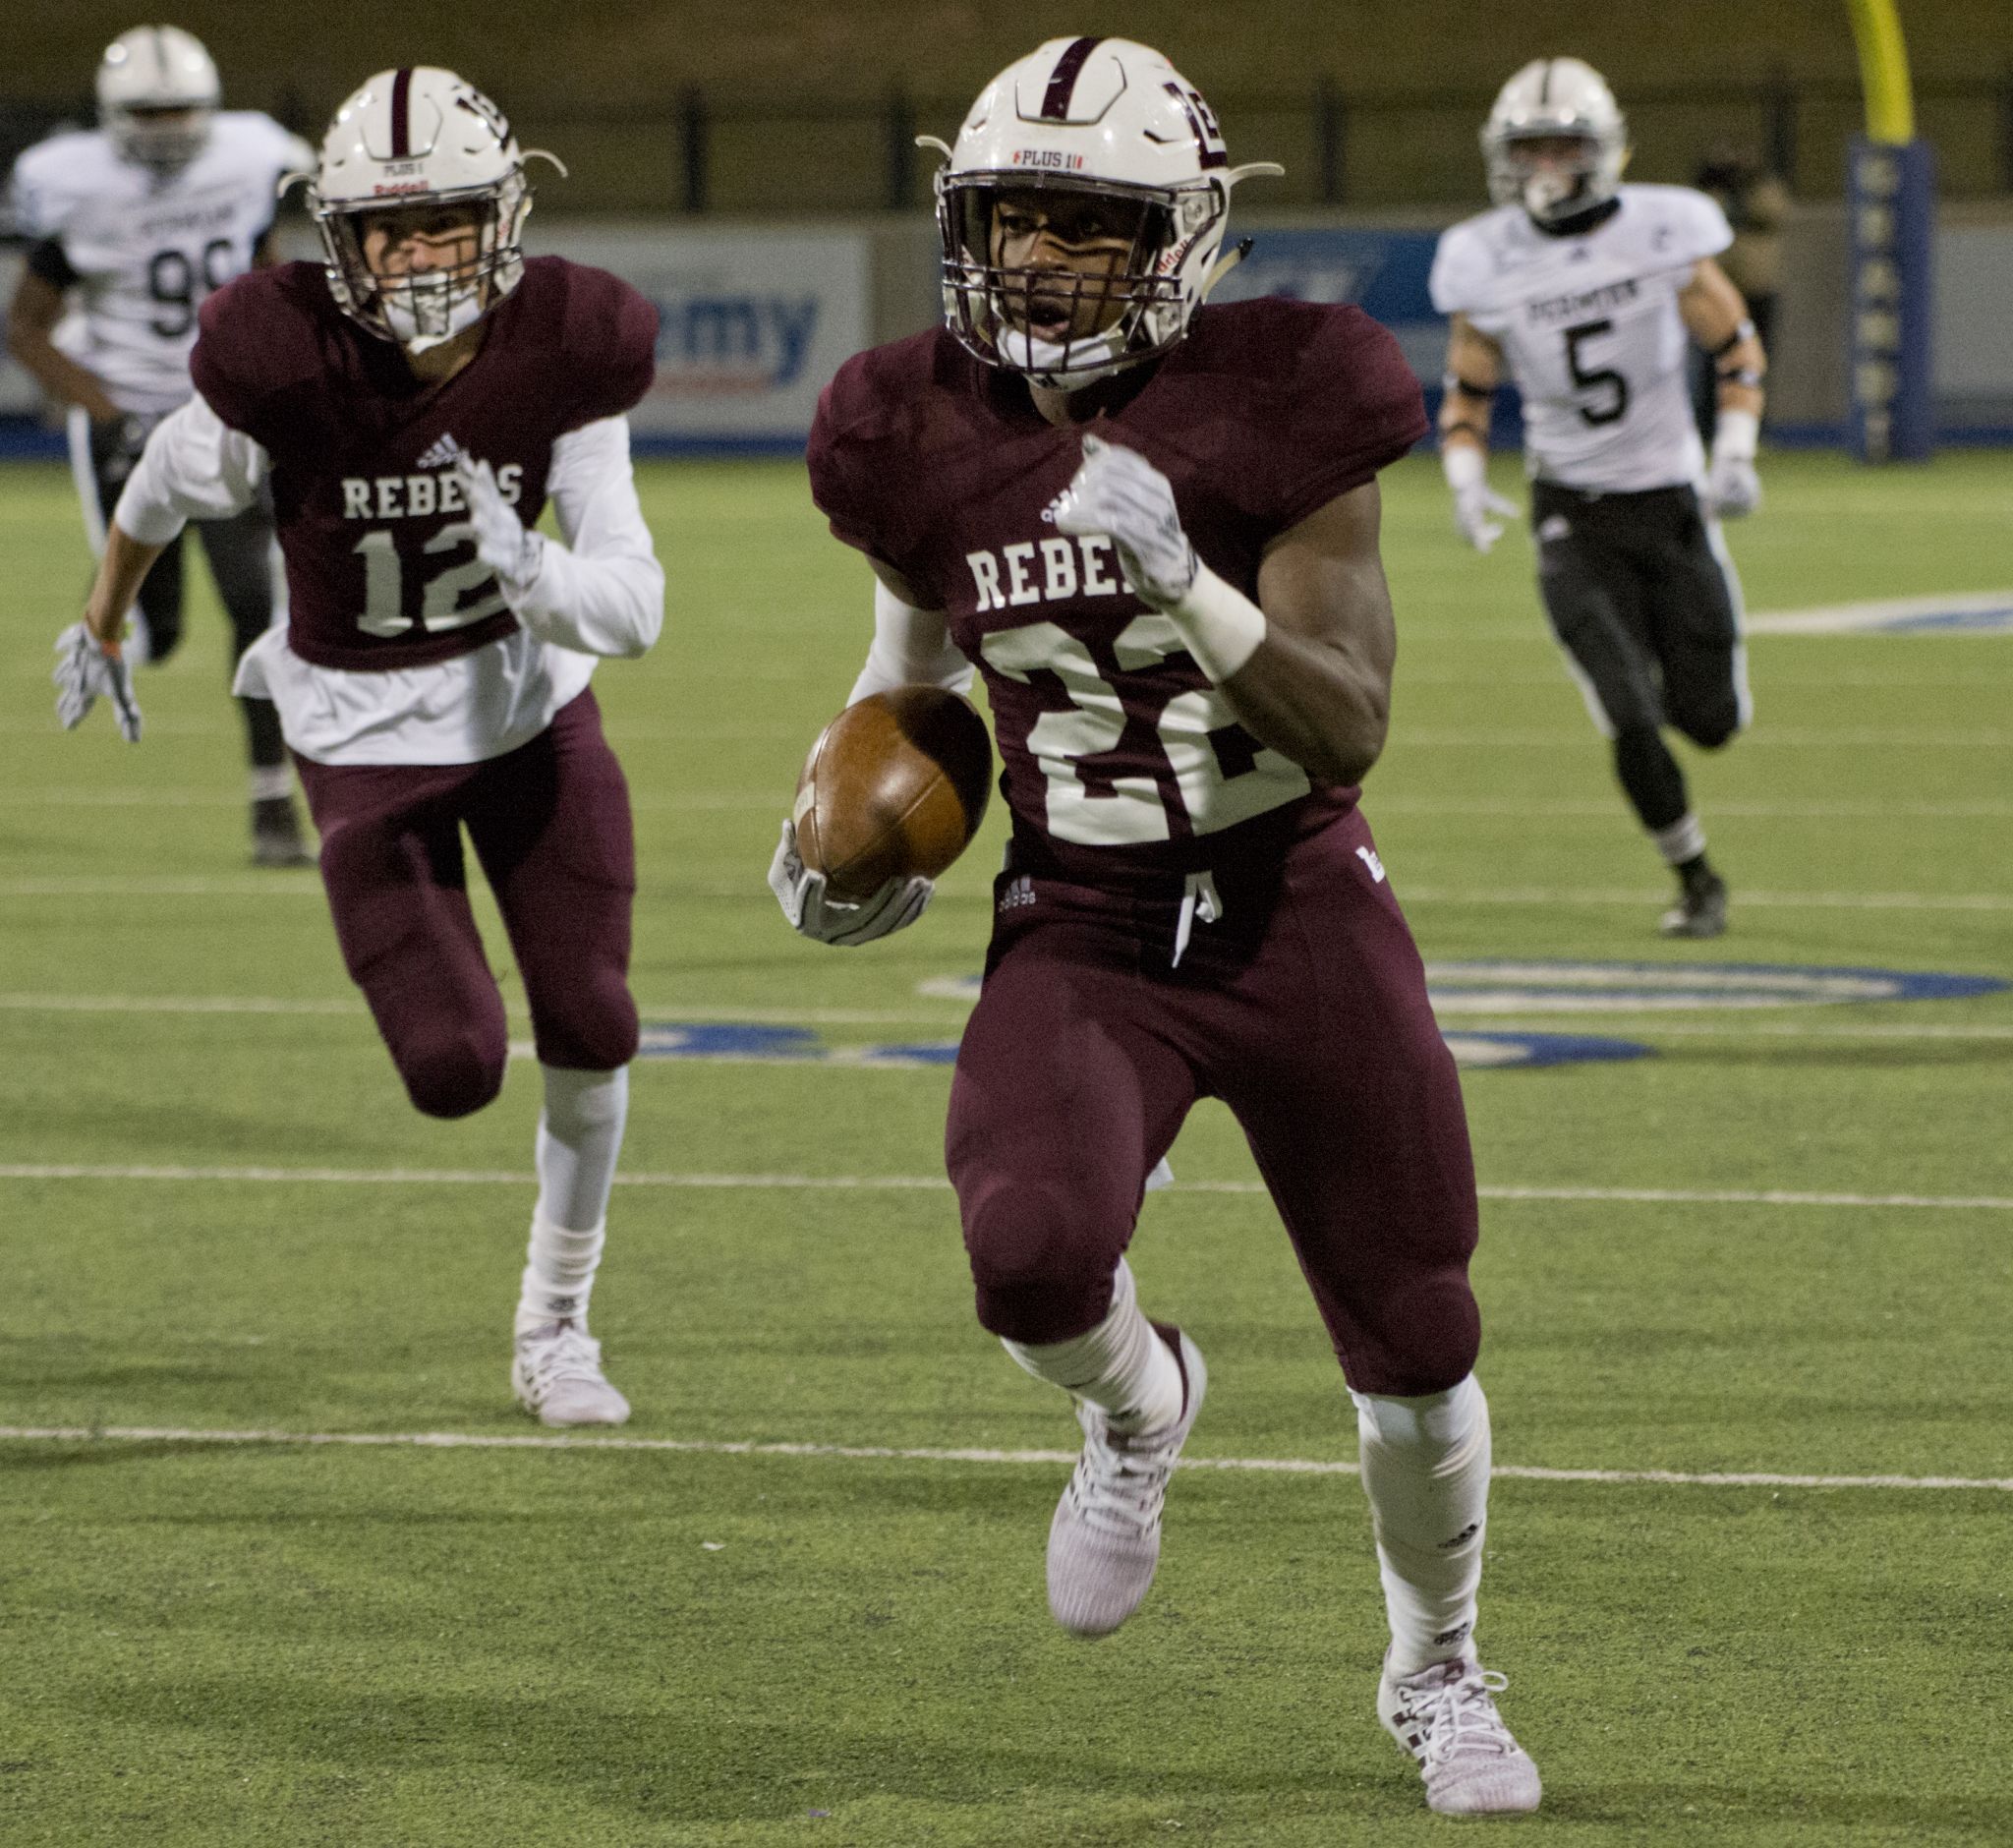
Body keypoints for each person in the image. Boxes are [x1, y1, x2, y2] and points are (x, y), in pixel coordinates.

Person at [771, 36, 1540, 1819]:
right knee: (1027, 1257)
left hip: (1292, 901)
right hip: (1083, 916)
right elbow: (910, 676)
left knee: (1417, 1327)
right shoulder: (905, 426)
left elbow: (1346, 721)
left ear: (1180, 238)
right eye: (1009, 220)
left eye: (1085, 226)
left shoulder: (1292, 393)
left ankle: (1435, 1668)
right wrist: (843, 828)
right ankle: (1138, 1404)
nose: (1036, 260)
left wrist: (1185, 581)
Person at [55, 67, 664, 1427]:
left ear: (502, 220)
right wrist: (102, 617)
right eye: (389, 230)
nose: (420, 256)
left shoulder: (566, 349)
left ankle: (556, 1324)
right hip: (355, 735)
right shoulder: (286, 360)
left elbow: (634, 606)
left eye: (446, 222)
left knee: (592, 1018)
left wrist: (538, 576)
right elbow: (161, 481)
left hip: (528, 718)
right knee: (453, 1069)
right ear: (341, 240)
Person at [1430, 57, 1767, 940]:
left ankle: (1697, 764)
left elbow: (1737, 348)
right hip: (1570, 513)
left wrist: (1734, 451)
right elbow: (1469, 390)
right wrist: (1465, 476)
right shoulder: (1484, 258)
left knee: (1711, 720)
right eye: (1527, 148)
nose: (1544, 166)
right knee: (1627, 709)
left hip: (1668, 502)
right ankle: (1695, 877)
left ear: (1604, 149)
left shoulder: (1663, 230)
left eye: (1561, 146)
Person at [8, 25, 316, 865]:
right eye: (148, 111)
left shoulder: (246, 161)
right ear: (113, 113)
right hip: (129, 419)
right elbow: (25, 327)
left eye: (179, 108)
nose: (167, 126)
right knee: (163, 631)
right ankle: (114, 604)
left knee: (256, 603)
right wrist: (107, 413)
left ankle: (272, 806)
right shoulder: (75, 188)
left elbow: (268, 278)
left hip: (222, 414)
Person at [1689, 144, 1789, 443]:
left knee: (1753, 358)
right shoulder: (1708, 193)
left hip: (1756, 287)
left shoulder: (1760, 186)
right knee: (1711, 360)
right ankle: (1708, 426)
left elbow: (1773, 212)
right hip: (1718, 286)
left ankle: (1754, 423)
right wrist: (1715, 182)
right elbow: (1704, 220)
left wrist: (1746, 185)